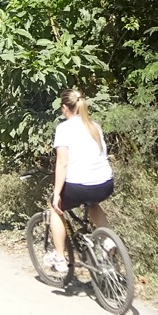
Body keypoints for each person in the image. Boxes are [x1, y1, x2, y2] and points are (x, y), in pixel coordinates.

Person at [45, 88, 114, 274]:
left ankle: (60, 257)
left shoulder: (63, 128)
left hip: (80, 185)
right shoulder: (95, 126)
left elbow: (63, 163)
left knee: (55, 208)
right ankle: (108, 239)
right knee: (93, 203)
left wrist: (57, 193)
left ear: (64, 108)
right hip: (105, 183)